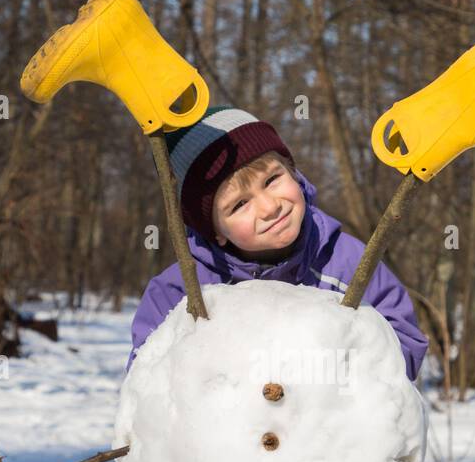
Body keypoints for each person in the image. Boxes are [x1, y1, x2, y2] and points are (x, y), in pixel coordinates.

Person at [126, 104, 428, 380]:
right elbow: (145, 380)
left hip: (328, 431)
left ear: (293, 172)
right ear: (213, 230)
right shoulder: (178, 291)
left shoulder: (347, 262)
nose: (270, 207)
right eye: (239, 205)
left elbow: (406, 345)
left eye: (272, 180)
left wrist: (331, 368)